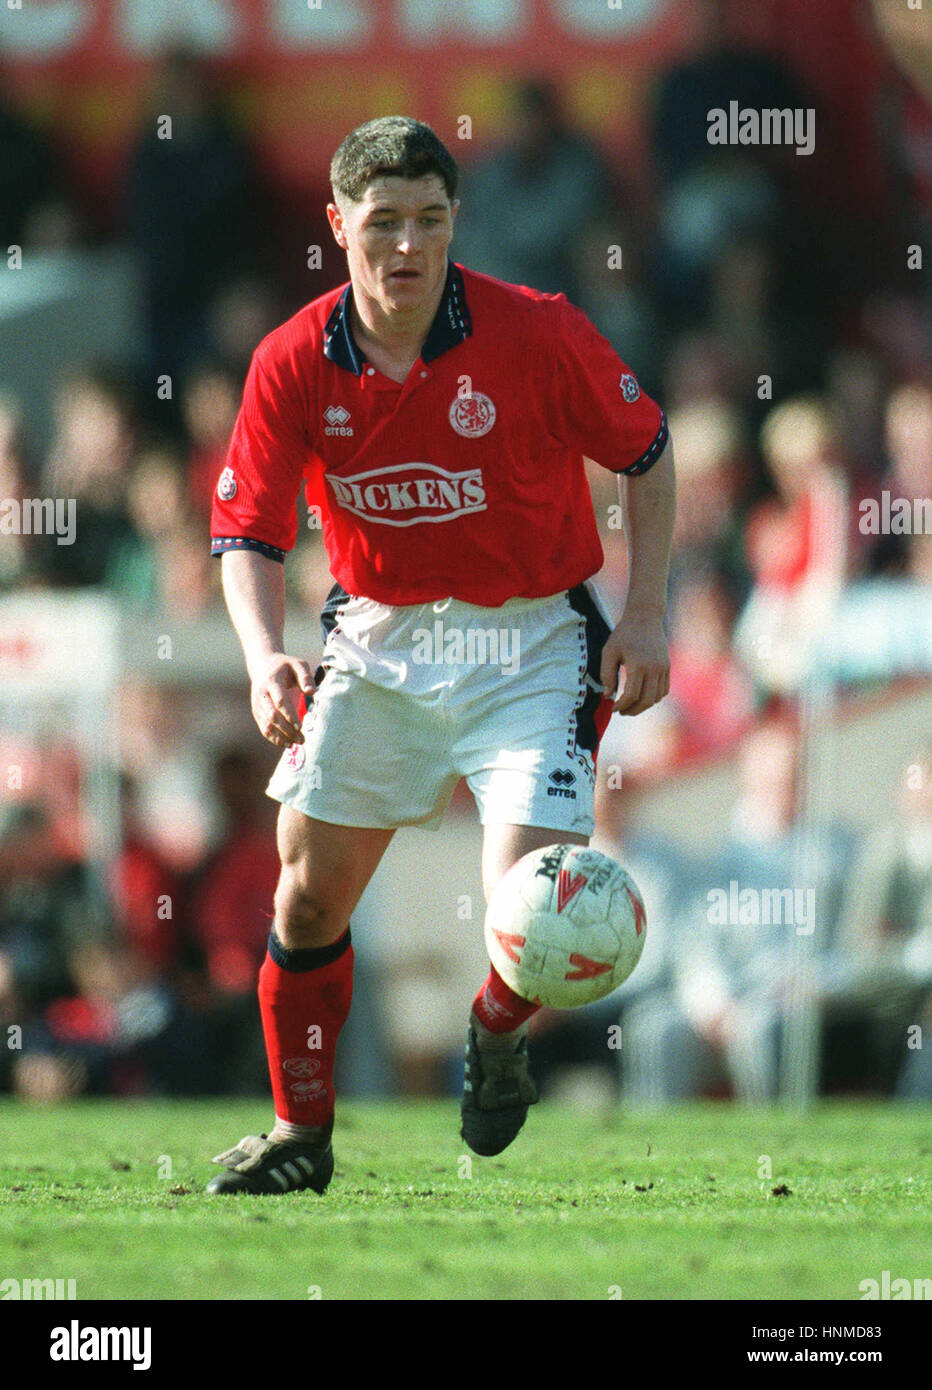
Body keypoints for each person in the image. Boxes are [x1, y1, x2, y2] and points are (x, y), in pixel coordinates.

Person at [206, 117, 675, 1195]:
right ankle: (299, 1135)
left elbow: (647, 456)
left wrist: (644, 615)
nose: (407, 245)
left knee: (534, 897)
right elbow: (246, 534)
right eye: (383, 223)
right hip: (376, 640)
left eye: (429, 220)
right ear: (337, 226)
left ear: (454, 220)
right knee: (306, 902)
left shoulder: (538, 331)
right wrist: (258, 653)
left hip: (532, 641)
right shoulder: (288, 360)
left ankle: (496, 1026)